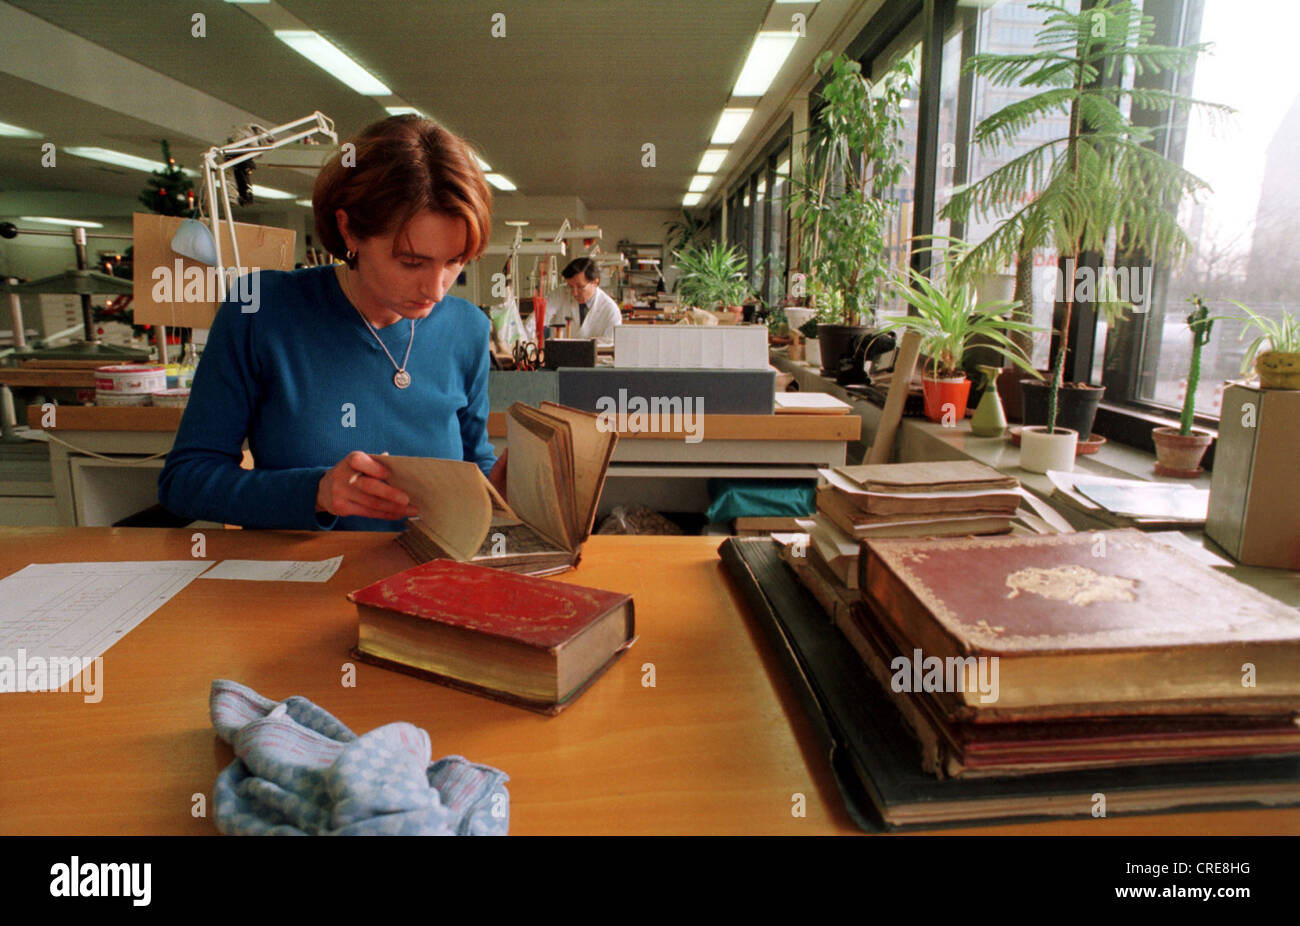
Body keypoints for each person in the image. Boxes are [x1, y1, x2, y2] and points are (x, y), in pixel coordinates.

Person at [158, 115, 505, 530]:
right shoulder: (261, 312)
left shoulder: (467, 328)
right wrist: (317, 493)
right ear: (349, 231)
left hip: (431, 578)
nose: (436, 289)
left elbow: (473, 460)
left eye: (455, 262)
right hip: (304, 582)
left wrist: (503, 490)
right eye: (412, 262)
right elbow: (185, 481)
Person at [555, 257, 621, 346]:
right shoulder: (559, 295)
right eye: (570, 286)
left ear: (595, 282)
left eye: (580, 287)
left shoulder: (610, 310)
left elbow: (611, 347)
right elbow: (534, 322)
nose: (574, 293)